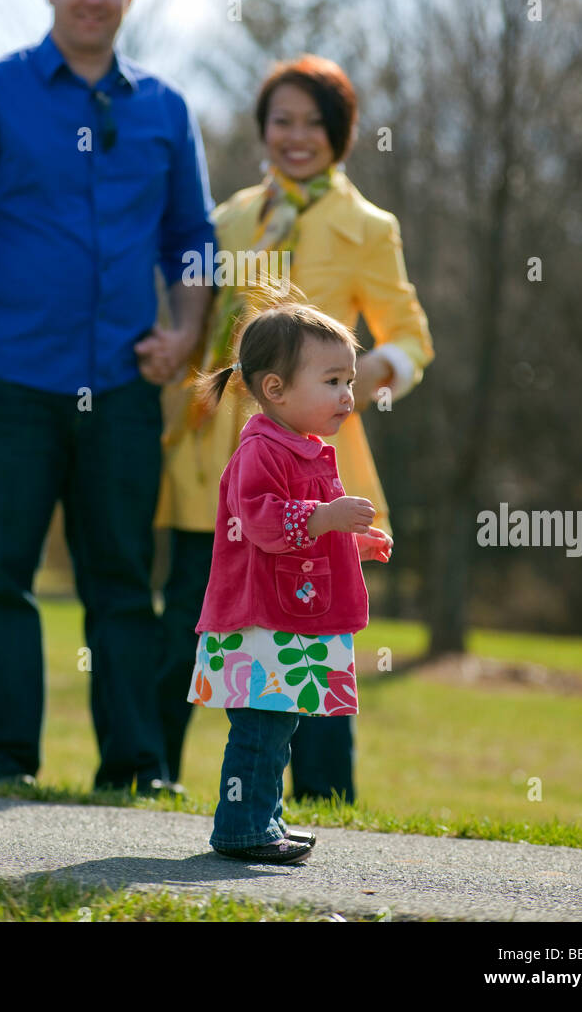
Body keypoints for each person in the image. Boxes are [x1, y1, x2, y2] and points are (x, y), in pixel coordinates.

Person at [0, 0, 216, 791]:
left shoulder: (164, 108)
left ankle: (136, 768)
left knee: (120, 580)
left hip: (119, 385)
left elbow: (193, 239)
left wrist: (185, 332)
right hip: (4, 380)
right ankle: (1, 764)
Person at [155, 55, 434, 800]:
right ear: (263, 130)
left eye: (315, 122)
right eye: (282, 120)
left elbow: (410, 334)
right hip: (221, 450)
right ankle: (152, 776)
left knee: (316, 620)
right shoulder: (230, 218)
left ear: (341, 133)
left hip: (315, 461)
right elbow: (203, 320)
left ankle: (320, 795)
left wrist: (350, 389)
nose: (297, 136)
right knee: (193, 607)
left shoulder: (369, 228)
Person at [188, 300, 393, 863]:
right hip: (259, 621)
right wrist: (326, 518)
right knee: (260, 730)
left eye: (349, 380)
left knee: (280, 725)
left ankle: (262, 820)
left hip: (287, 618)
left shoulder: (305, 451)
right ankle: (242, 829)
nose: (347, 395)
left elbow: (305, 535)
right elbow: (263, 521)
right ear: (275, 389)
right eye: (331, 381)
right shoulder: (260, 452)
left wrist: (349, 541)